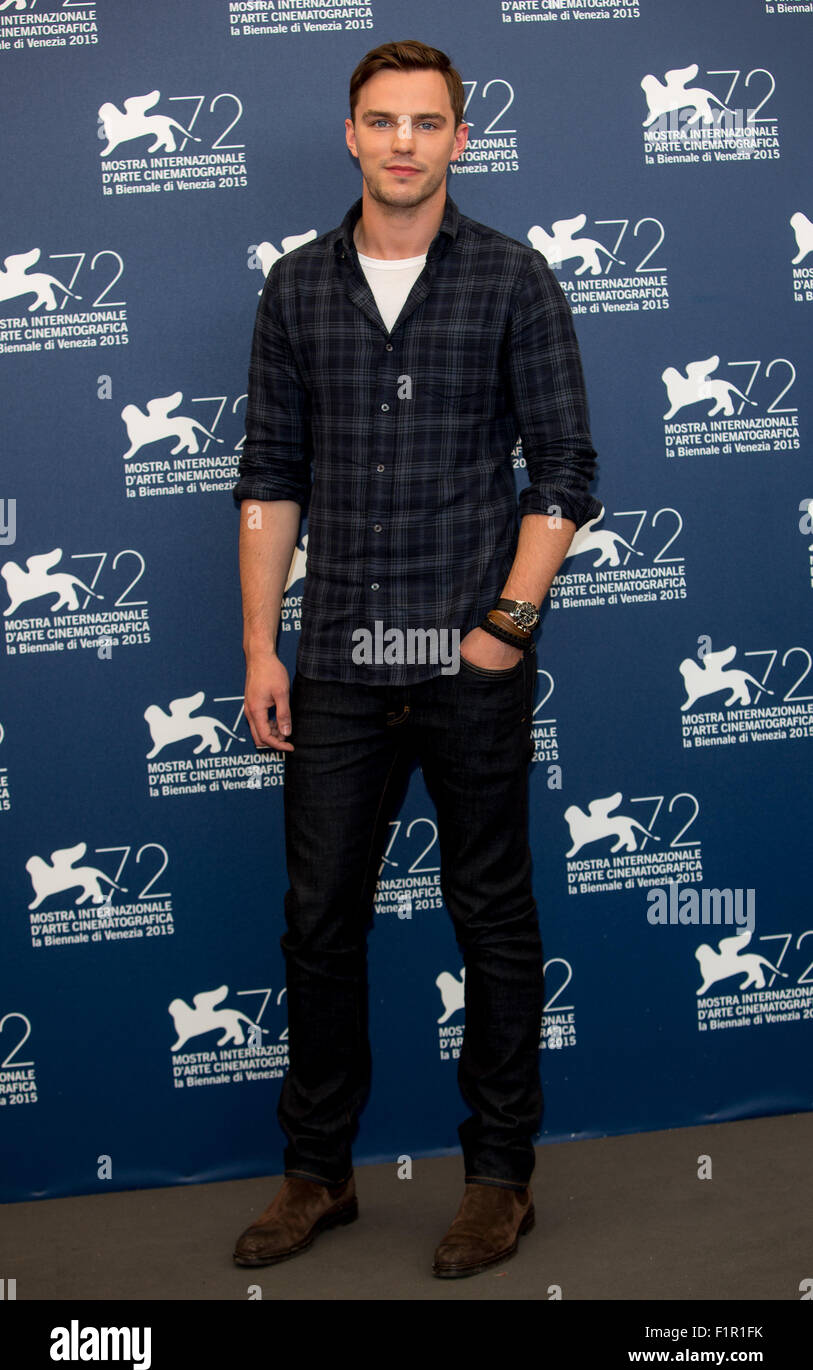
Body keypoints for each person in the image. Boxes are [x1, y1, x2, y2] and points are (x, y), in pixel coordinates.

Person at [231, 38, 601, 1280]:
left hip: (468, 664)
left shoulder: (513, 279)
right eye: (381, 120)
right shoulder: (294, 289)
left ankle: (500, 1181)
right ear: (350, 134)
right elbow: (270, 478)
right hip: (334, 659)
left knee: (491, 918)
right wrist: (259, 647)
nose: (403, 141)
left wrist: (503, 628)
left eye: (426, 123)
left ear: (458, 137)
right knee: (316, 923)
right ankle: (317, 1175)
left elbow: (566, 473)